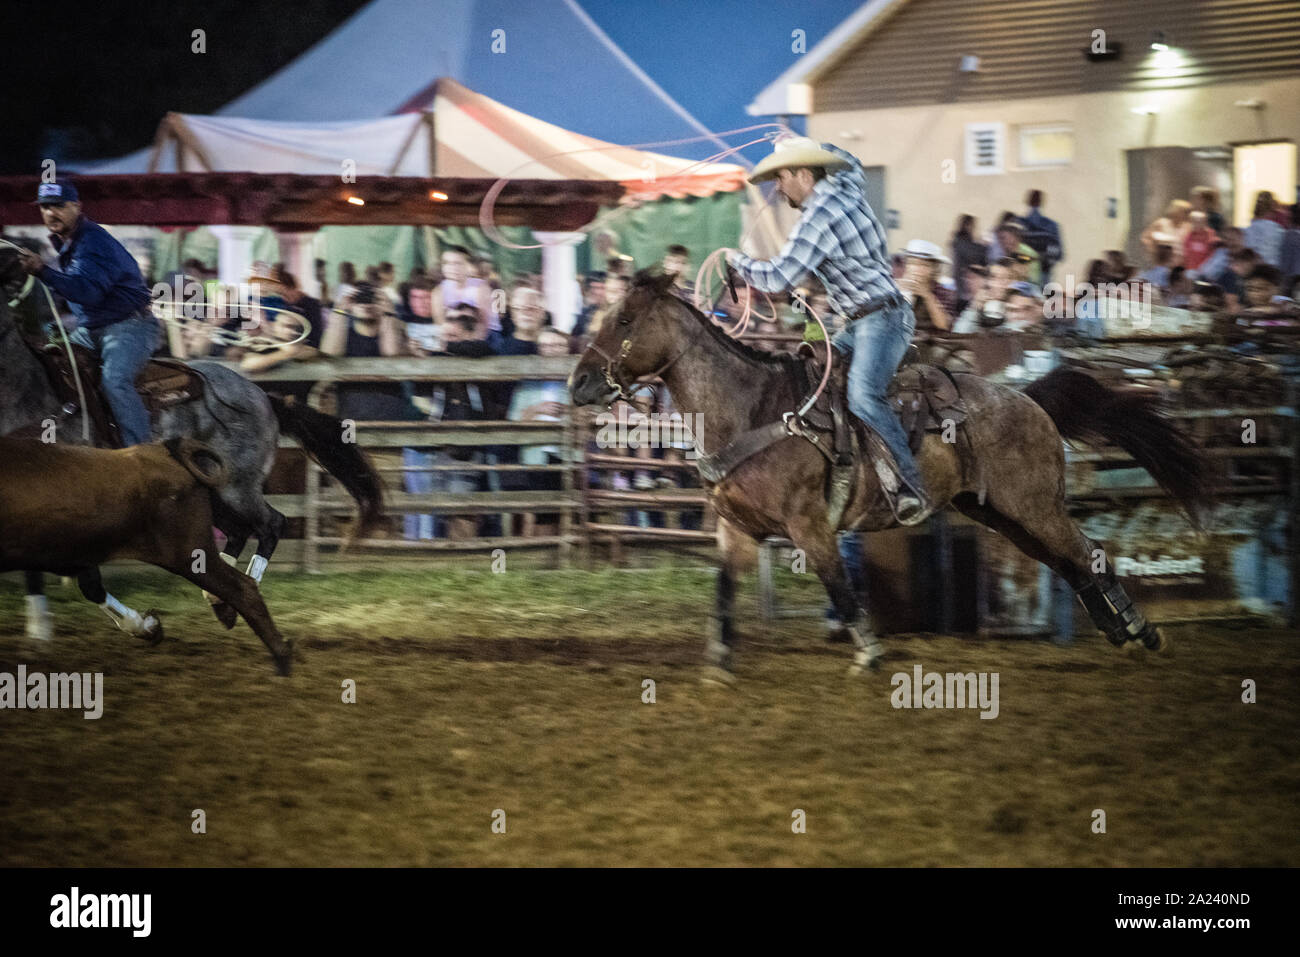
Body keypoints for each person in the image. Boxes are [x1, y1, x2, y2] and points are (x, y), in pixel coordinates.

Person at [725, 136, 931, 524]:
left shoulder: (818, 218)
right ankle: (848, 474)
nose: (778, 187)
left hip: (879, 319)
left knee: (864, 396)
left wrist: (738, 261)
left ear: (804, 174)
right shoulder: (846, 186)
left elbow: (778, 276)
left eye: (782, 177)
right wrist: (806, 143)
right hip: (865, 319)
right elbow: (849, 160)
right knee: (817, 380)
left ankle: (910, 485)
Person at [16, 180, 159, 446]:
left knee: (115, 381)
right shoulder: (70, 241)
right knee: (51, 365)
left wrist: (43, 271)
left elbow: (89, 292)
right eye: (45, 207)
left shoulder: (92, 241)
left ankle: (141, 452)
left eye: (58, 206)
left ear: (76, 207)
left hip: (129, 326)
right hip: (92, 328)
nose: (50, 213)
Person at [897, 239, 954, 331]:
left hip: (931, 341)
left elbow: (944, 325)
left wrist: (927, 295)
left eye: (924, 265)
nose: (917, 269)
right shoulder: (895, 288)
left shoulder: (943, 291)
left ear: (934, 268)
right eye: (913, 263)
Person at [1019, 190, 1063, 283]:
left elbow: (1058, 253)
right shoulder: (1052, 225)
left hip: (1038, 273)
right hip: (1029, 273)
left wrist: (1033, 259)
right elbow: (1058, 254)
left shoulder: (1020, 223)